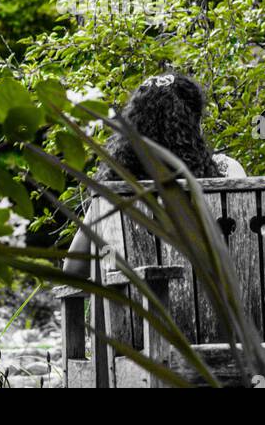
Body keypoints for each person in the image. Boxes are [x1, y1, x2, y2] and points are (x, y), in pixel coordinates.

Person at [62, 73, 244, 276]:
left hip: (142, 304)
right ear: (195, 123)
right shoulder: (227, 169)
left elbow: (73, 268)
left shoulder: (117, 183)